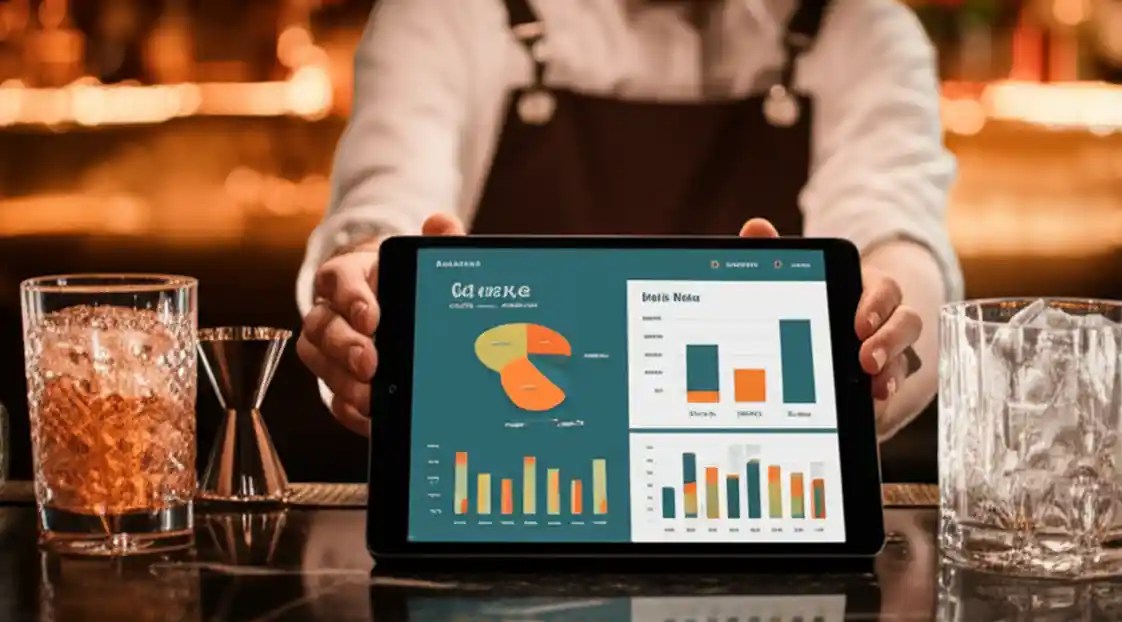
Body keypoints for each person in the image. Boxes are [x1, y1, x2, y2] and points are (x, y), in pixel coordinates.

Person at [297, 0, 962, 441]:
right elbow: (388, 199)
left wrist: (877, 350)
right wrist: (369, 291)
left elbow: (895, 232)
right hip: (500, 489)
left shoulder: (867, 28)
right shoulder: (445, 13)